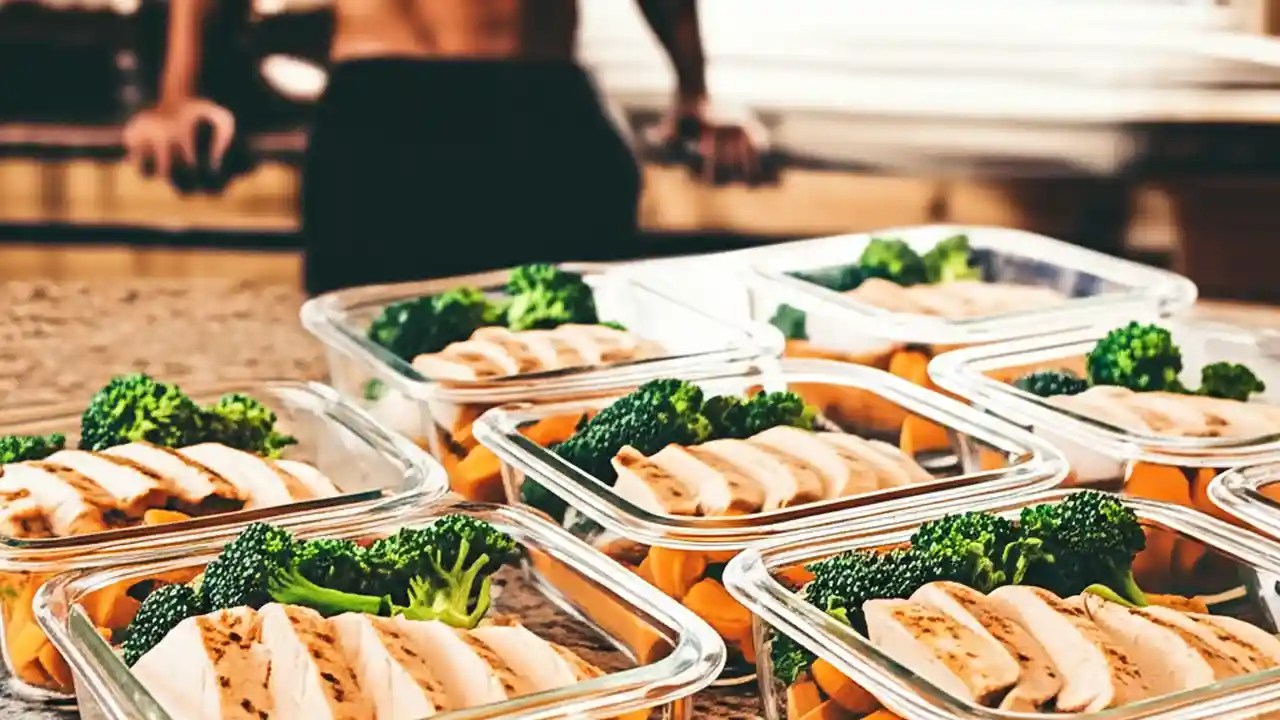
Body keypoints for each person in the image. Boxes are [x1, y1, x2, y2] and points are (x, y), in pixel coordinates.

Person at [123, 0, 765, 294]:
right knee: (376, 391)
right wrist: (180, 90)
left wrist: (695, 92)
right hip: (403, 113)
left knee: (570, 389)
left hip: (528, 110)